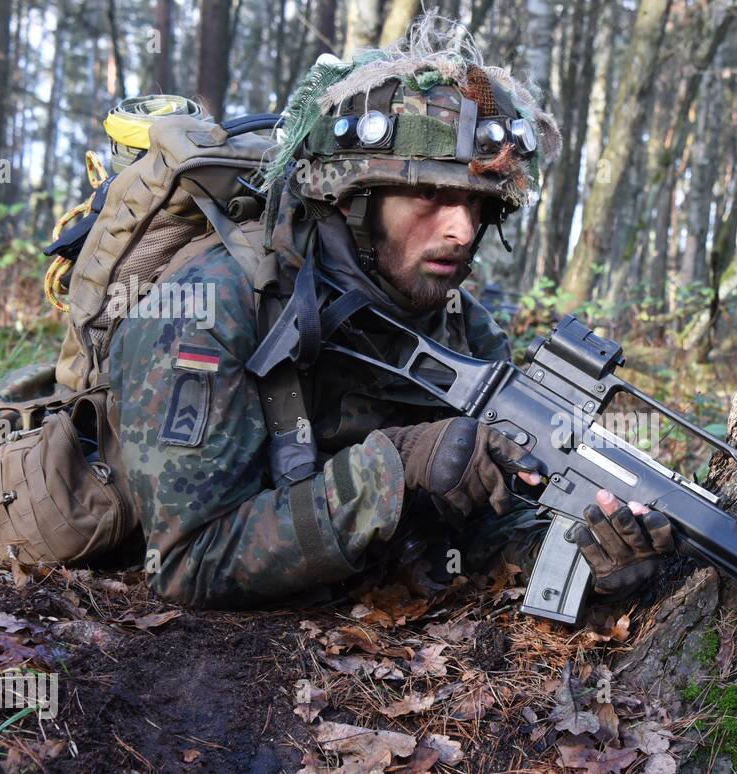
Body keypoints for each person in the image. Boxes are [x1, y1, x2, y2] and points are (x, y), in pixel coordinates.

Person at [100, 20, 675, 609]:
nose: (462, 229)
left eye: (479, 204)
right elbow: (188, 563)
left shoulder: (467, 332)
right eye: (431, 196)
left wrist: (580, 550)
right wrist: (397, 466)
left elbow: (480, 530)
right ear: (352, 199)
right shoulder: (211, 307)